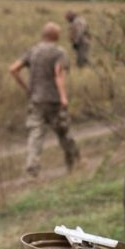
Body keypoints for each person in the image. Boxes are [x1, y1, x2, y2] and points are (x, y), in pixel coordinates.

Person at [9, 23, 79, 177]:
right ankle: (74, 162)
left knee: (36, 133)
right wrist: (63, 97)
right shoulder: (59, 52)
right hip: (54, 100)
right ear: (57, 36)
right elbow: (59, 75)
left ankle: (32, 165)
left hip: (36, 100)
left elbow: (13, 69)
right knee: (64, 133)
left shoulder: (33, 51)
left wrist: (27, 89)